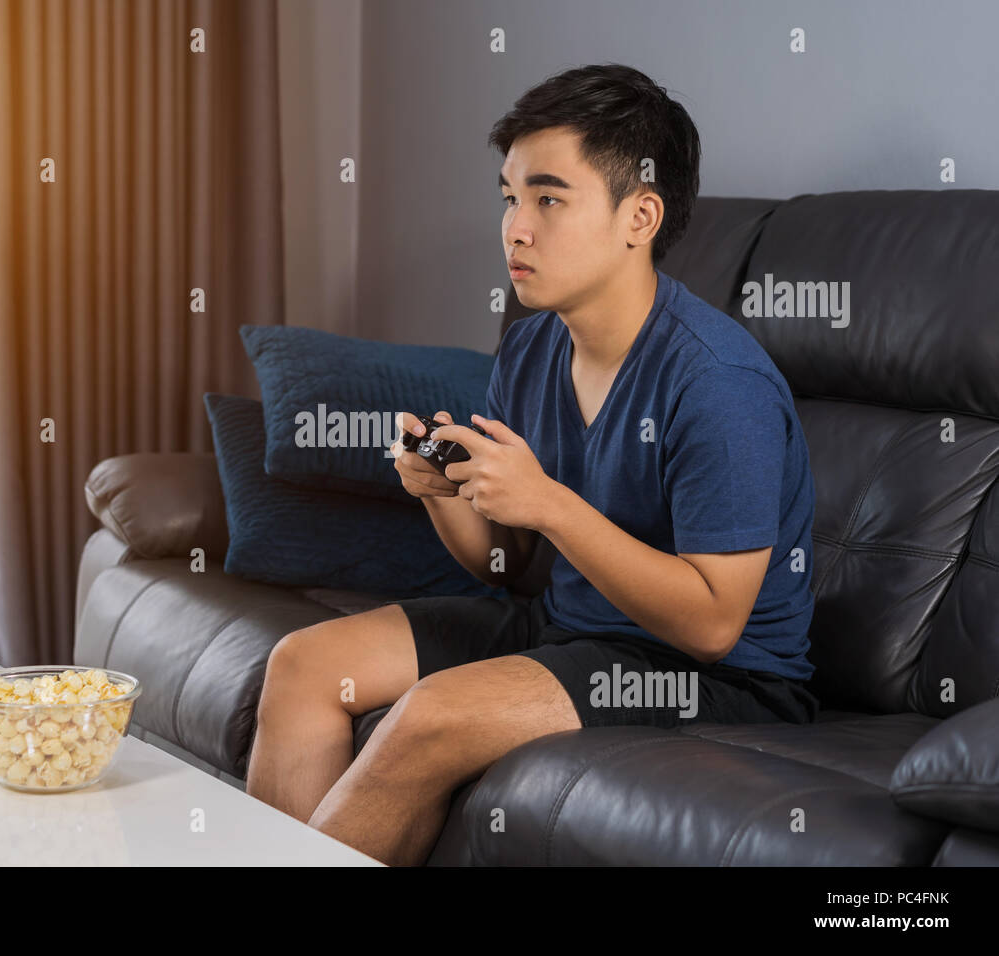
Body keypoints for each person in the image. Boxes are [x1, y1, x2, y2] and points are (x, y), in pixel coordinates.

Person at [246, 63, 818, 867]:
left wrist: (548, 502)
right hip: (568, 629)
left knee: (429, 713)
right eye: (510, 197)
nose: (516, 227)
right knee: (305, 664)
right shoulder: (533, 345)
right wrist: (446, 494)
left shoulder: (719, 384)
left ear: (640, 215)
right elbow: (507, 567)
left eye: (549, 199)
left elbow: (715, 625)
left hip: (710, 679)